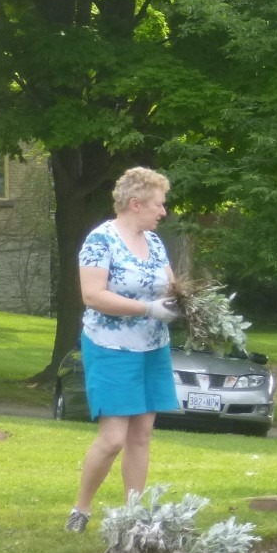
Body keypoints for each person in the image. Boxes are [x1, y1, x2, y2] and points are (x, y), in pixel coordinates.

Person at [65, 167, 180, 532]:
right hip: (110, 346)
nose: (164, 212)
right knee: (114, 437)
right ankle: (81, 510)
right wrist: (148, 308)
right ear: (136, 203)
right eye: (159, 205)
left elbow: (171, 287)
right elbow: (93, 295)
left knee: (141, 435)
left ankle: (135, 515)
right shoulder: (101, 241)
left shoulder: (155, 243)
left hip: (152, 347)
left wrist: (185, 304)